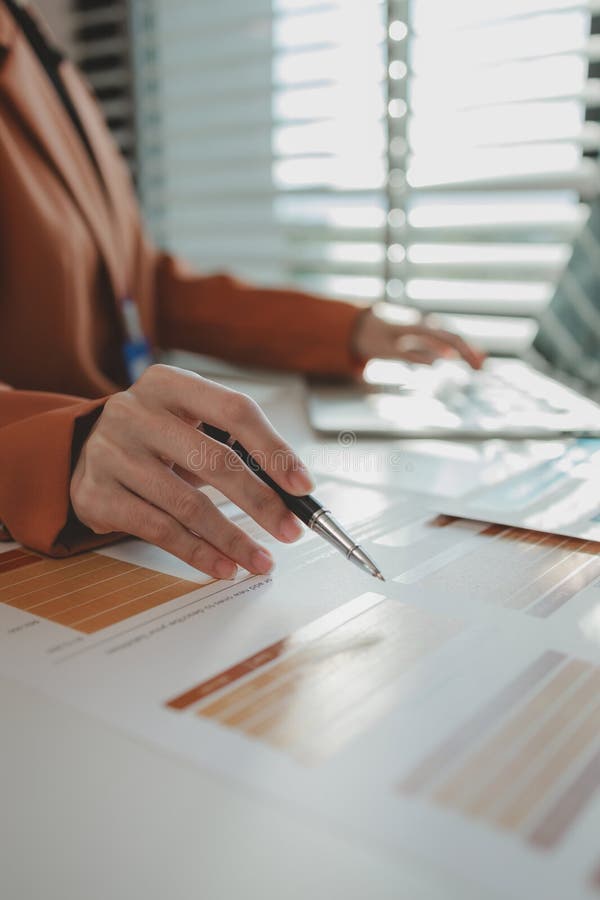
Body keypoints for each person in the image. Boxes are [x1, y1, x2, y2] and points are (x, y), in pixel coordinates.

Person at [0, 0, 483, 579]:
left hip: (129, 512)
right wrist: (62, 450)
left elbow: (138, 284)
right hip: (48, 528)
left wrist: (347, 329)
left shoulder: (41, 47)